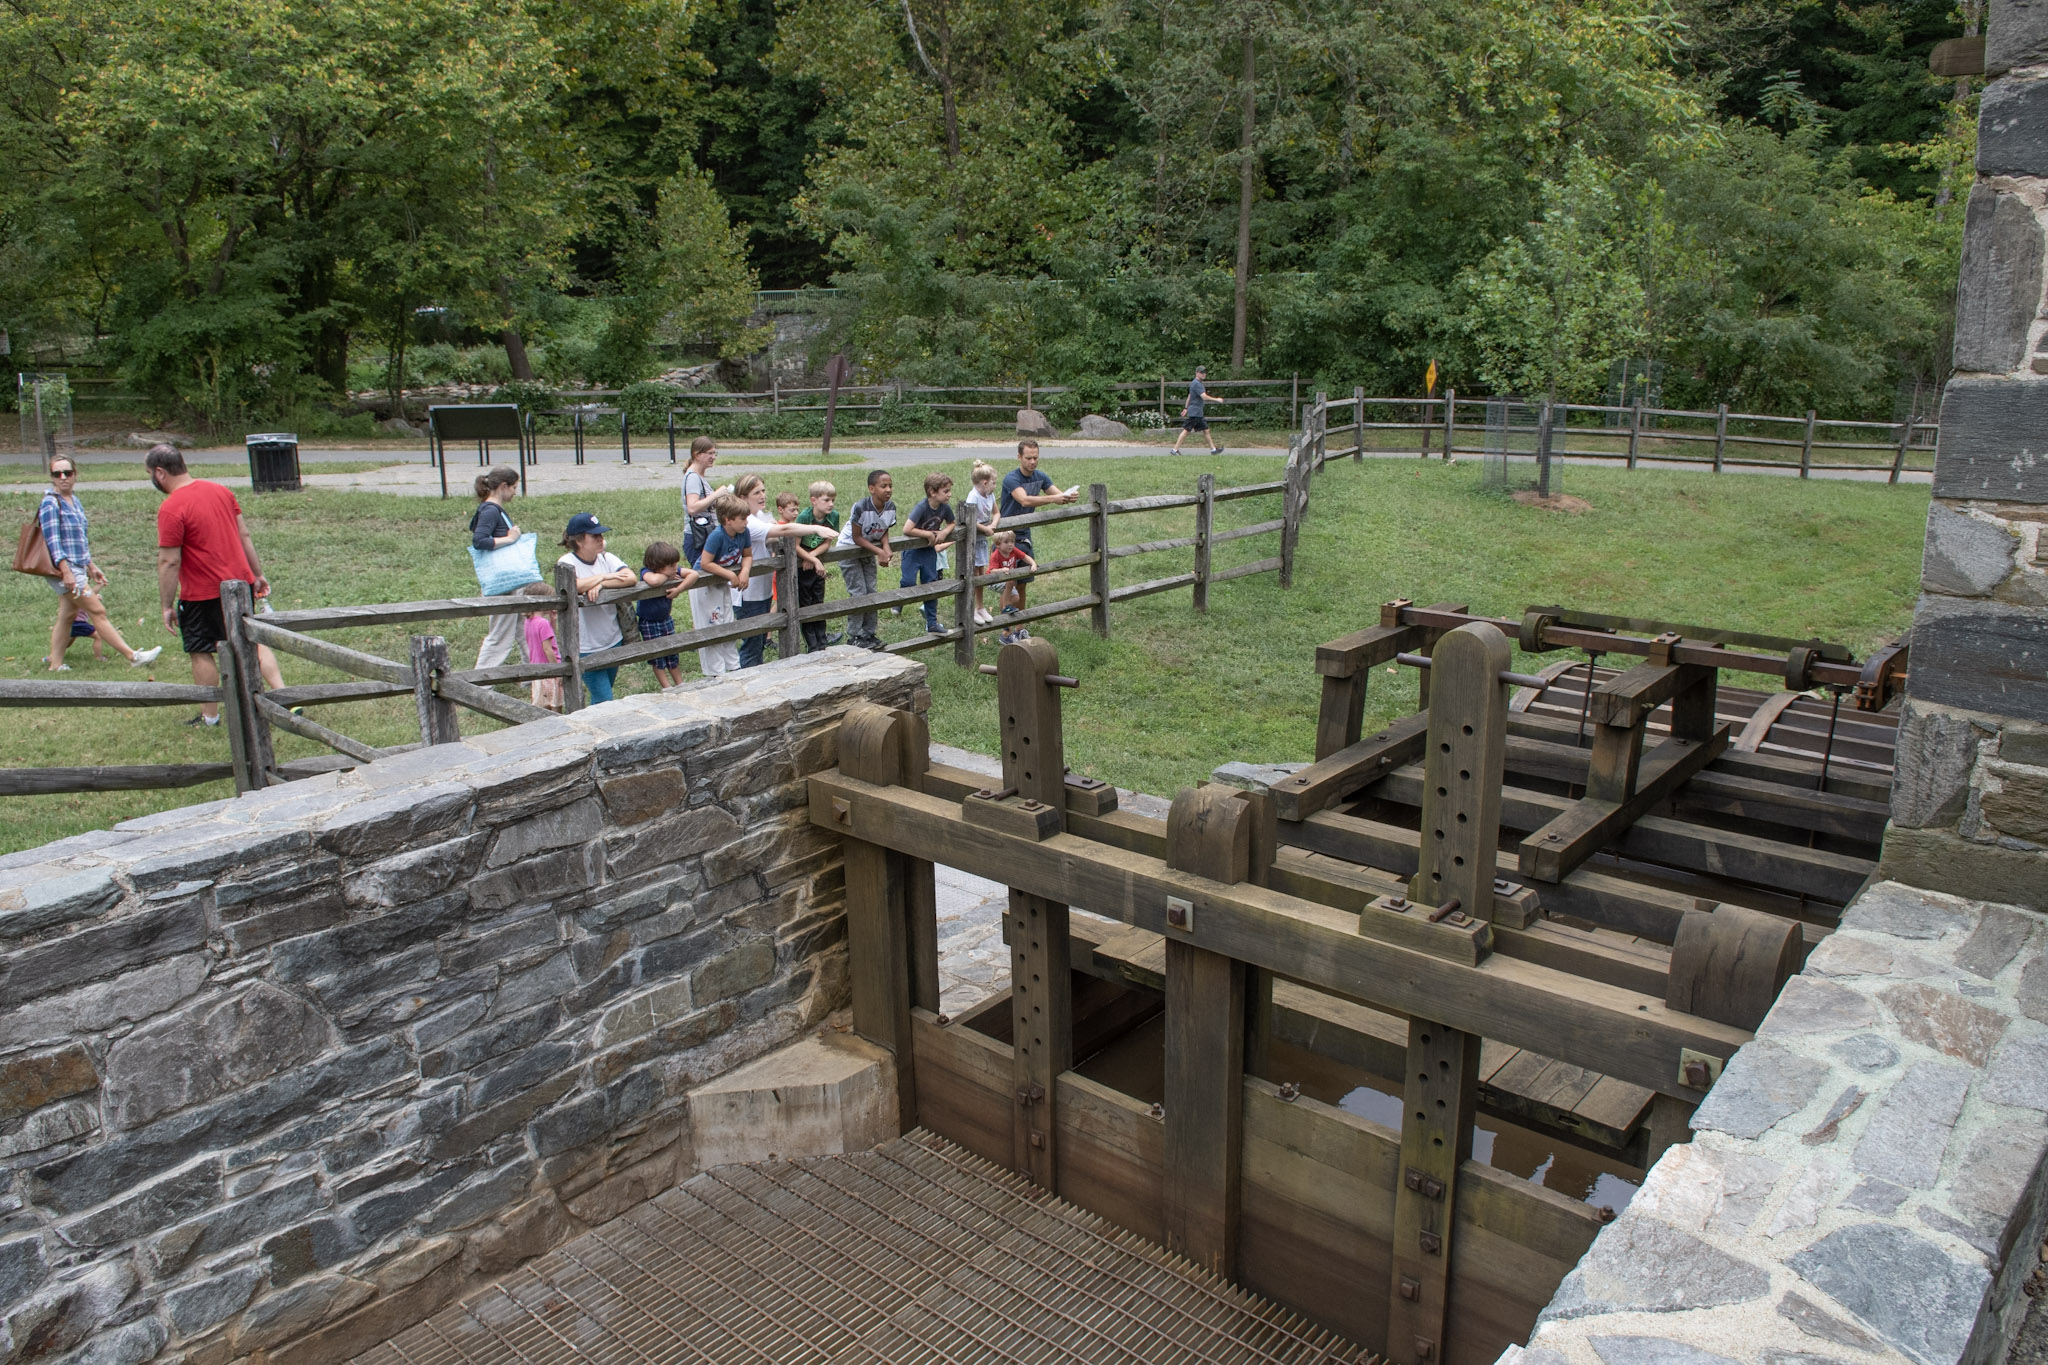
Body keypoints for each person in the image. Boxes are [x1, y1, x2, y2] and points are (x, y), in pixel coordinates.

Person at [147, 445, 282, 727]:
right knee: (251, 640)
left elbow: (169, 561)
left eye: (151, 473)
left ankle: (210, 716)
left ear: (160, 472)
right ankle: (282, 696)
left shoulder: (171, 507)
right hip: (240, 583)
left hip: (202, 593)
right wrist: (257, 573)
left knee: (201, 650)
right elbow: (243, 534)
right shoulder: (221, 491)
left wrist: (166, 605)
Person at [37, 458, 161, 673]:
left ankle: (55, 665)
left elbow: (79, 540)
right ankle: (133, 656)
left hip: (76, 566)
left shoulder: (74, 501)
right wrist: (66, 572)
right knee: (97, 610)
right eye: (57, 474)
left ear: (75, 474)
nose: (63, 478)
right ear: (51, 477)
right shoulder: (50, 502)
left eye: (67, 472)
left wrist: (91, 566)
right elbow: (53, 542)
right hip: (63, 569)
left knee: (66, 616)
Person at [556, 512, 636, 705]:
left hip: (612, 639)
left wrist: (603, 584)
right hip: (586, 646)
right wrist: (604, 577)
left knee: (603, 695)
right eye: (595, 536)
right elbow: (574, 585)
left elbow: (631, 577)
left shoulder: (606, 559)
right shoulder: (567, 562)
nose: (601, 539)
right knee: (604, 699)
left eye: (601, 535)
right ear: (580, 541)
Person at [734, 475, 811, 669]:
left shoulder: (759, 516)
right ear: (743, 497)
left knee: (759, 641)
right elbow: (782, 531)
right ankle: (750, 681)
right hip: (748, 593)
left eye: (763, 490)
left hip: (763, 589)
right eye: (756, 492)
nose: (762, 496)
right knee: (752, 644)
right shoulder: (748, 522)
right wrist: (816, 528)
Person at [997, 441, 1074, 617]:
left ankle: (1019, 625)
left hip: (1025, 536)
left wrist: (1068, 497)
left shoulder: (1040, 476)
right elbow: (1024, 500)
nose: (1032, 461)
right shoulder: (1011, 479)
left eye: (1035, 457)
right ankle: (1005, 629)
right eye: (1028, 458)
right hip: (1006, 536)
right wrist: (1055, 498)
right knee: (1010, 585)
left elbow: (1057, 493)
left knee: (1022, 584)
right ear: (1019, 457)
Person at [469, 467, 527, 669]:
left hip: (508, 579)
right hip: (504, 581)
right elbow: (479, 540)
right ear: (503, 486)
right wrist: (510, 538)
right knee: (500, 635)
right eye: (513, 487)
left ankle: (536, 676)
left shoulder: (491, 509)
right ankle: (480, 683)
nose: (514, 492)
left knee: (523, 628)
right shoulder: (491, 510)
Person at [835, 469, 897, 650]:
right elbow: (856, 537)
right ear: (871, 488)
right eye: (883, 486)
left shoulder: (890, 507)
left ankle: (869, 633)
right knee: (858, 593)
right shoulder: (861, 507)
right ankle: (854, 635)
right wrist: (878, 551)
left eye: (890, 486)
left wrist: (885, 547)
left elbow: (884, 530)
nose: (888, 490)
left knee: (871, 592)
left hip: (868, 549)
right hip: (849, 550)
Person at [692, 495, 751, 676]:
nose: (746, 522)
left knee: (727, 621)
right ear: (727, 520)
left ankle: (733, 666)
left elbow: (747, 555)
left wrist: (745, 572)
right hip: (705, 585)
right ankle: (715, 672)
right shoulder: (717, 536)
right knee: (712, 623)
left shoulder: (743, 533)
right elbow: (705, 563)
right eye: (742, 519)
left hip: (723, 582)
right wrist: (729, 574)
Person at [899, 472, 956, 635]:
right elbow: (907, 529)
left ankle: (932, 623)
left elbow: (952, 523)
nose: (949, 494)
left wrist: (944, 532)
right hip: (913, 552)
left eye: (949, 490)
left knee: (931, 585)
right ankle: (898, 601)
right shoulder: (922, 507)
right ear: (932, 492)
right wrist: (928, 534)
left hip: (929, 553)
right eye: (946, 491)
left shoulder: (944, 508)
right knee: (908, 582)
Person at [636, 542, 694, 689]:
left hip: (665, 619)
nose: (676, 568)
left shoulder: (671, 570)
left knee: (672, 651)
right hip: (649, 622)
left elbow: (694, 574)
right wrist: (667, 577)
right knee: (657, 655)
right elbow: (654, 581)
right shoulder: (646, 572)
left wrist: (678, 589)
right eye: (672, 565)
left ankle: (680, 683)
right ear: (658, 566)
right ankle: (666, 686)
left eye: (676, 565)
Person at [794, 481, 841, 653]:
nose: (831, 504)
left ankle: (822, 642)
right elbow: (795, 546)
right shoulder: (804, 518)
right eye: (827, 500)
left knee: (818, 601)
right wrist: (811, 558)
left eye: (833, 500)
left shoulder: (833, 516)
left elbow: (828, 542)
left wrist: (813, 557)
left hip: (815, 560)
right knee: (805, 603)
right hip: (803, 565)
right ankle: (812, 645)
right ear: (814, 500)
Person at [962, 462, 1002, 626]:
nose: (995, 486)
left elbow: (997, 512)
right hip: (972, 542)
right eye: (994, 482)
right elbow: (968, 519)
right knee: (973, 575)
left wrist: (993, 525)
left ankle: (980, 607)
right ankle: (970, 609)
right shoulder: (973, 497)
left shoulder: (990, 496)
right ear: (985, 483)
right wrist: (984, 529)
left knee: (981, 574)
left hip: (982, 540)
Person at [680, 437, 729, 571]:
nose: (713, 457)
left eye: (715, 453)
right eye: (710, 453)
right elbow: (692, 507)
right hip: (697, 538)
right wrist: (716, 494)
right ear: (697, 454)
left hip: (705, 535)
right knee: (701, 581)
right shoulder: (693, 478)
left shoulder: (699, 477)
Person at [519, 582, 564, 712]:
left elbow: (547, 638)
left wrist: (553, 621)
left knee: (542, 706)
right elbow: (547, 649)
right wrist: (558, 670)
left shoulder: (529, 622)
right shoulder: (543, 623)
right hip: (550, 670)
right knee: (555, 706)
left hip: (537, 669)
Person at [988, 531, 1036, 645]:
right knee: (1010, 582)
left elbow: (1025, 557)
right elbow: (990, 571)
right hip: (995, 581)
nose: (1010, 544)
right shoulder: (996, 554)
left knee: (1016, 599)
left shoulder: (1014, 551)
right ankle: (1005, 608)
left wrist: (1033, 564)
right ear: (998, 544)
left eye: (1012, 542)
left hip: (1007, 582)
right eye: (1006, 542)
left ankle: (1007, 617)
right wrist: (1001, 570)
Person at [1170, 364, 1224, 456]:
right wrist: (1216, 399)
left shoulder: (1195, 383)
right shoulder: (1197, 384)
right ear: (1197, 373)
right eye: (1202, 372)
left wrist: (1186, 408)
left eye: (1205, 372)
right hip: (1195, 412)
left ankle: (1213, 450)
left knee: (1206, 430)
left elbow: (1189, 396)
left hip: (1197, 412)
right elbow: (1203, 397)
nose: (1204, 374)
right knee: (1186, 430)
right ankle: (1174, 450)